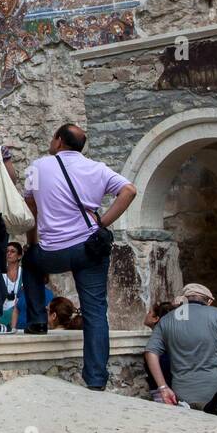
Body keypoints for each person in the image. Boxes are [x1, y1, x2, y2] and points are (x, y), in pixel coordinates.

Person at [21, 123, 136, 390]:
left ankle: (38, 321)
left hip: (52, 252)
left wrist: (32, 244)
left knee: (29, 262)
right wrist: (102, 223)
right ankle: (96, 380)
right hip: (88, 248)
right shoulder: (98, 168)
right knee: (96, 312)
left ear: (59, 141)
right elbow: (129, 190)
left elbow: (30, 206)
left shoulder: (37, 167)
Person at [145, 283, 217, 416]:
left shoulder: (166, 319)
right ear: (208, 301)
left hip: (182, 396)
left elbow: (150, 352)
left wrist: (163, 387)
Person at [143, 300, 177, 402]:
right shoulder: (170, 340)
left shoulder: (158, 347)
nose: (147, 315)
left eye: (149, 312)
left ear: (156, 319)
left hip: (163, 395)